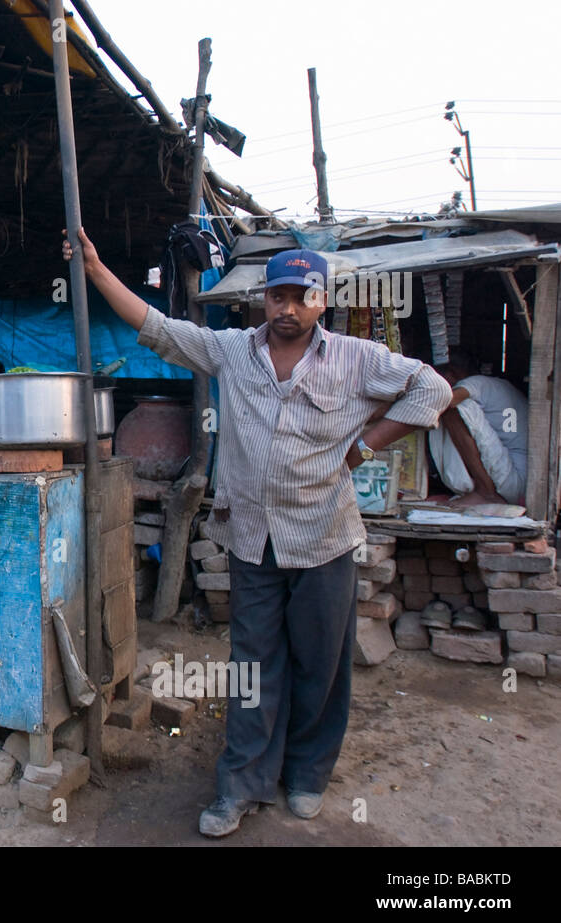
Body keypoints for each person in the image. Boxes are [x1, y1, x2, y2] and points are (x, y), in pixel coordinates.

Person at [63, 229, 452, 837]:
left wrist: (366, 445)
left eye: (302, 296)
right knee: (252, 666)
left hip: (324, 539)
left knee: (319, 665)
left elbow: (434, 388)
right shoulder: (231, 351)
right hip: (253, 541)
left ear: (322, 300)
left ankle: (306, 774)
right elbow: (160, 329)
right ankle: (241, 783)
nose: (288, 308)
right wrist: (94, 267)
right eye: (278, 297)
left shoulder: (357, 359)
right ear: (262, 300)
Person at [427, 349, 528, 506]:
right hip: (522, 483)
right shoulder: (499, 385)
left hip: (511, 479)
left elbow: (449, 401)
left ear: (451, 372)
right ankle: (484, 489)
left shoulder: (475, 383)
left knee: (450, 408)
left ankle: (485, 491)